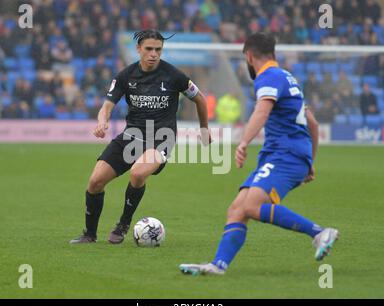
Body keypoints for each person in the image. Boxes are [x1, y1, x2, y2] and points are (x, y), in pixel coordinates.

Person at [179, 33, 339, 275]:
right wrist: (309, 161)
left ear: (249, 56)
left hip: (284, 155)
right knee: (237, 208)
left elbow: (262, 112)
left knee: (252, 206)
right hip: (287, 155)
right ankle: (218, 265)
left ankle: (319, 232)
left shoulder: (268, 77)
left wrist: (243, 142)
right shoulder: (288, 77)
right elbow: (313, 123)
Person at [70, 29, 210, 244]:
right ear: (138, 49)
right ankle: (89, 235)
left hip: (162, 136)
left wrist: (204, 128)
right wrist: (102, 121)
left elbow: (200, 99)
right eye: (149, 49)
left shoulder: (174, 75)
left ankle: (123, 224)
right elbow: (107, 105)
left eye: (158, 50)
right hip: (132, 135)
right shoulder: (126, 75)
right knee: (95, 181)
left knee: (137, 174)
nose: (154, 54)